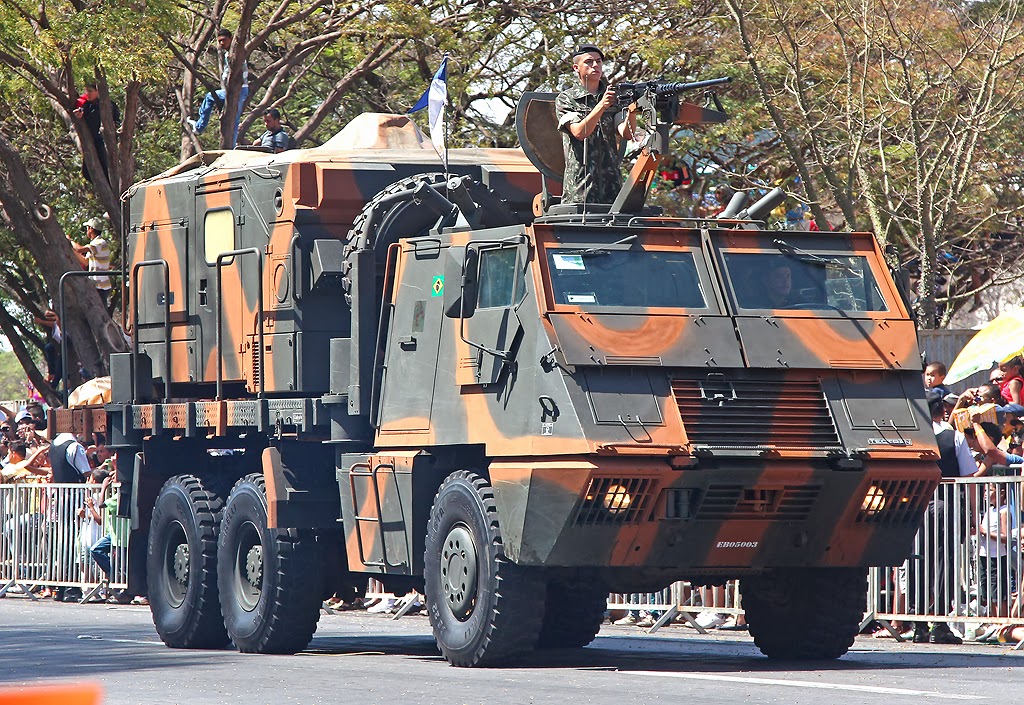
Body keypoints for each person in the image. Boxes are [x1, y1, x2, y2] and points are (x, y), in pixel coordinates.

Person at [906, 390, 981, 645]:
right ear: (941, 410)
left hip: (915, 505)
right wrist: (974, 513)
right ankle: (938, 623)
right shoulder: (954, 437)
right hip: (947, 505)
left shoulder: (910, 437)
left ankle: (918, 624)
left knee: (917, 561)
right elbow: (969, 478)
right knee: (945, 563)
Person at [554, 44, 637, 205]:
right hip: (581, 186)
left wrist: (632, 110)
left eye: (598, 62)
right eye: (589, 62)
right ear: (576, 68)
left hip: (611, 184)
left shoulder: (613, 97)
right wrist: (601, 106)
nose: (595, 65)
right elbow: (579, 132)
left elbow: (626, 133)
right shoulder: (566, 99)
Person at [186, 28, 249, 147]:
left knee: (212, 98)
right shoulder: (229, 54)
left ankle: (200, 127)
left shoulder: (234, 54)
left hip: (238, 90)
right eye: (219, 41)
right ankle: (231, 144)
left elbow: (230, 74)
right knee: (232, 119)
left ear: (231, 39)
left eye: (224, 40)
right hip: (235, 90)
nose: (221, 43)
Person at [72, 83, 120, 183]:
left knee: (107, 170)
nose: (87, 94)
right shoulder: (86, 105)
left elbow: (117, 122)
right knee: (87, 172)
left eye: (90, 91)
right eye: (86, 91)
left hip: (104, 143)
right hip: (90, 142)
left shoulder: (109, 105)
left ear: (97, 91)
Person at [69, 217, 113, 308]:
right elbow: (85, 262)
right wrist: (71, 249)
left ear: (91, 229)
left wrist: (70, 241)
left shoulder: (99, 243)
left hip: (101, 285)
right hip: (96, 285)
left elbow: (80, 249)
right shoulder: (94, 245)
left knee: (101, 310)